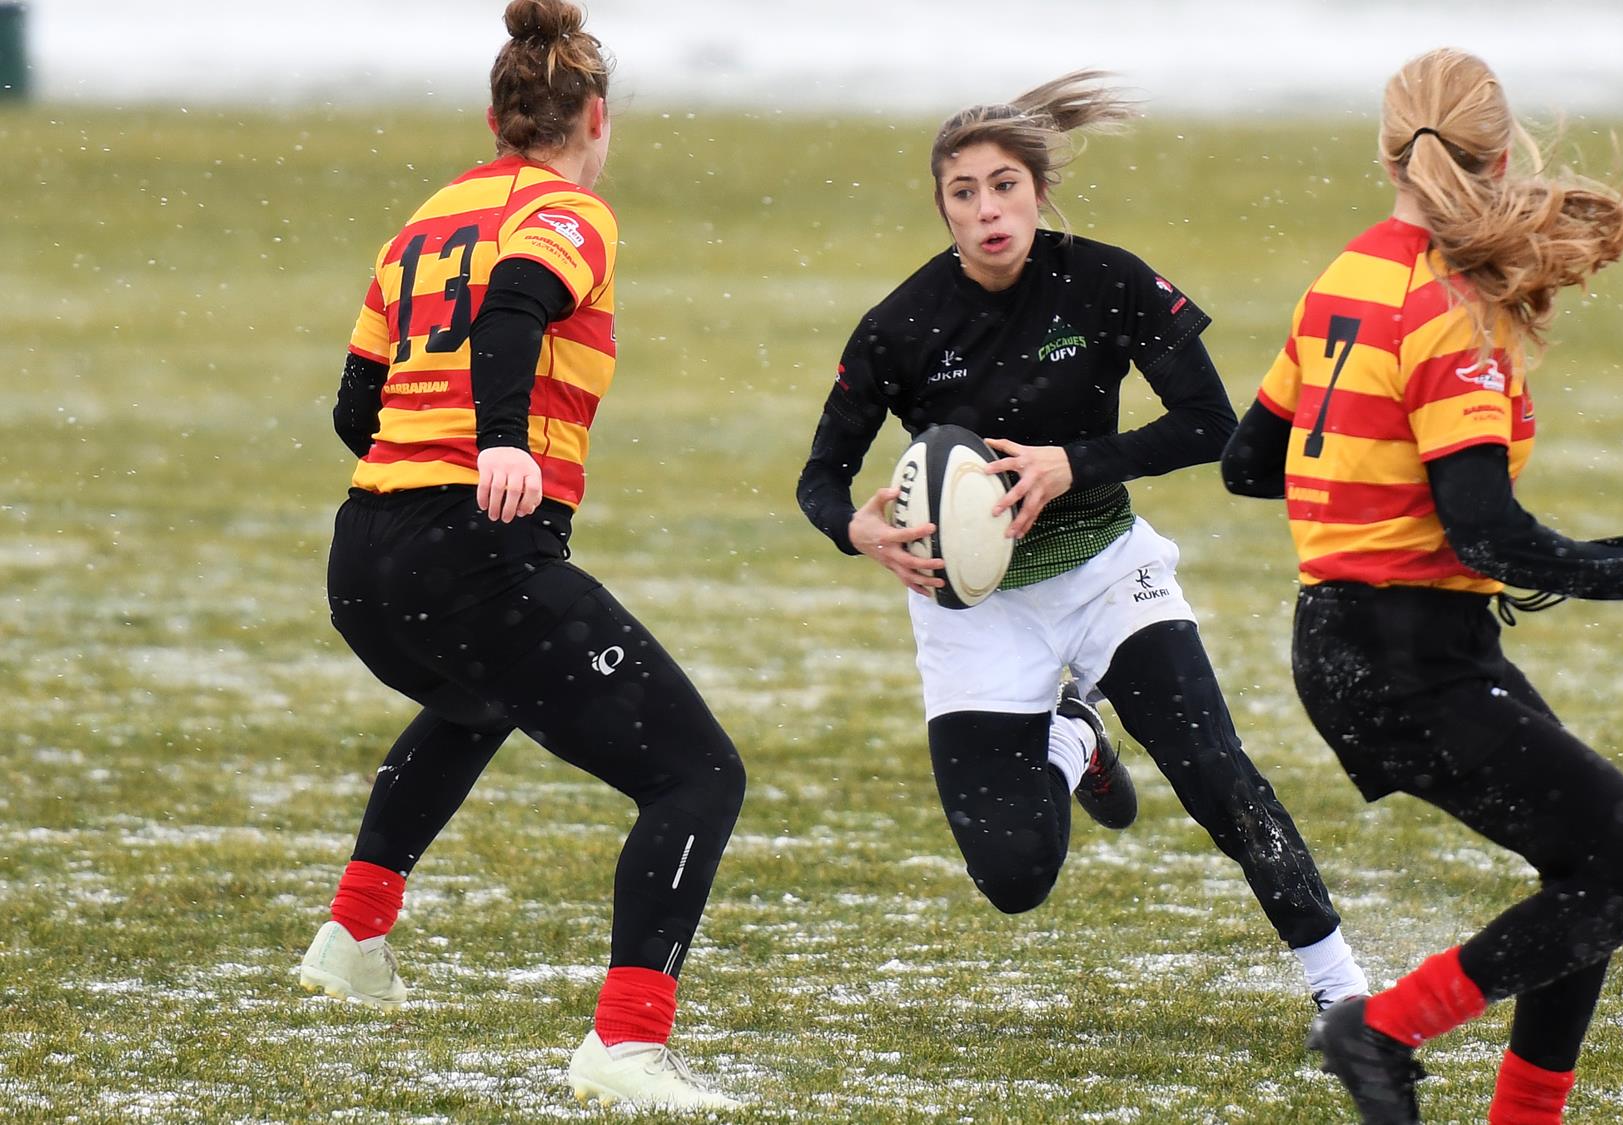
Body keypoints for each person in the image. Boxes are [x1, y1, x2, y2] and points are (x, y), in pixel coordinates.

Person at [796, 71, 1370, 1014]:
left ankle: (1343, 996)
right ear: (942, 207)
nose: (988, 210)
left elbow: (1207, 423)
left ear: (1037, 189)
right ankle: (1072, 736)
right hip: (973, 605)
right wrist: (855, 529)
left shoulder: (1104, 279)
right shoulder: (899, 327)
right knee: (1015, 877)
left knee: (1217, 775)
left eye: (1004, 185)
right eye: (964, 192)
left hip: (1109, 570)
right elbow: (821, 476)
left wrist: (1077, 462)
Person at [1220, 48, 1623, 1125]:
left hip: (1353, 644)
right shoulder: (1447, 314)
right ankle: (1381, 1025)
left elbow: (1247, 462)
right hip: (1405, 661)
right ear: (1499, 156)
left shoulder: (1347, 275)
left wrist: (1364, 485)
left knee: (1589, 873)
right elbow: (1487, 534)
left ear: (1385, 151)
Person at [296, 0, 742, 1109]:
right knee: (696, 776)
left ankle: (351, 940)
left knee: (473, 702)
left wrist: (435, 446)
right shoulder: (569, 212)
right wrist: (497, 445)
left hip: (364, 556)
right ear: (595, 116)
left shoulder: (422, 220)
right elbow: (512, 311)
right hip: (472, 544)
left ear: (491, 116)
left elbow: (359, 404)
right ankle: (625, 1046)